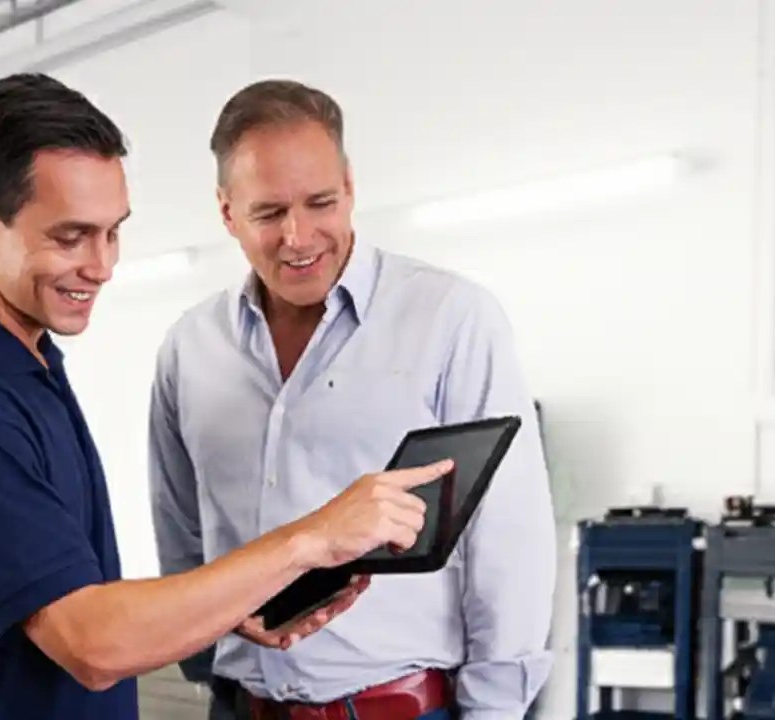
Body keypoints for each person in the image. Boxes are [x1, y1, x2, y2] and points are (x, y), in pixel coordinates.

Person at [0, 72, 457, 720]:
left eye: (112, 231)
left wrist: (230, 607)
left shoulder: (23, 363)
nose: (101, 265)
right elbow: (92, 641)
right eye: (71, 236)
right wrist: (313, 539)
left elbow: (82, 592)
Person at [148, 79, 557, 720]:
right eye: (269, 213)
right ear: (227, 213)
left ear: (350, 186)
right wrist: (207, 660)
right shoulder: (189, 349)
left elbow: (509, 539)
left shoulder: (450, 319)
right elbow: (181, 531)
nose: (300, 236)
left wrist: (496, 710)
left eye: (320, 203)